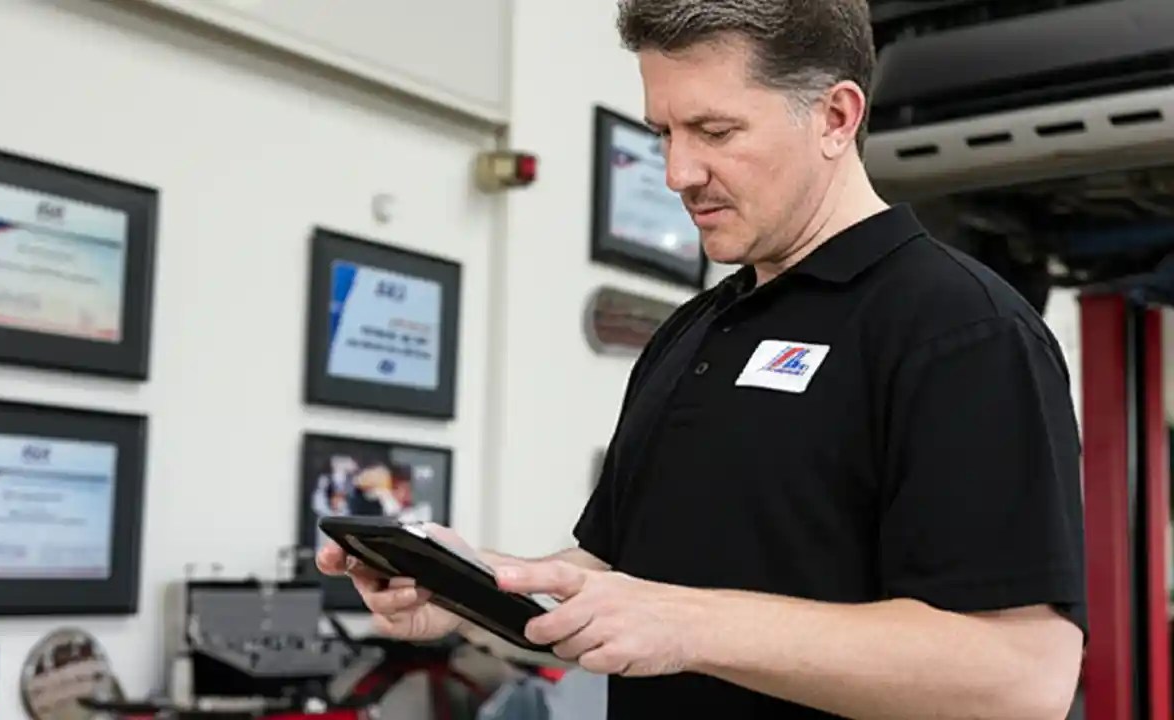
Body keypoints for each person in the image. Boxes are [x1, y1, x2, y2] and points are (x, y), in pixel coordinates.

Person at [318, 0, 1087, 717]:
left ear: (835, 116)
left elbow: (1024, 673)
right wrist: (474, 589)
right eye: (663, 133)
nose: (677, 173)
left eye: (715, 132)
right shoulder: (695, 330)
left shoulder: (961, 329)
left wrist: (687, 623)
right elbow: (607, 581)